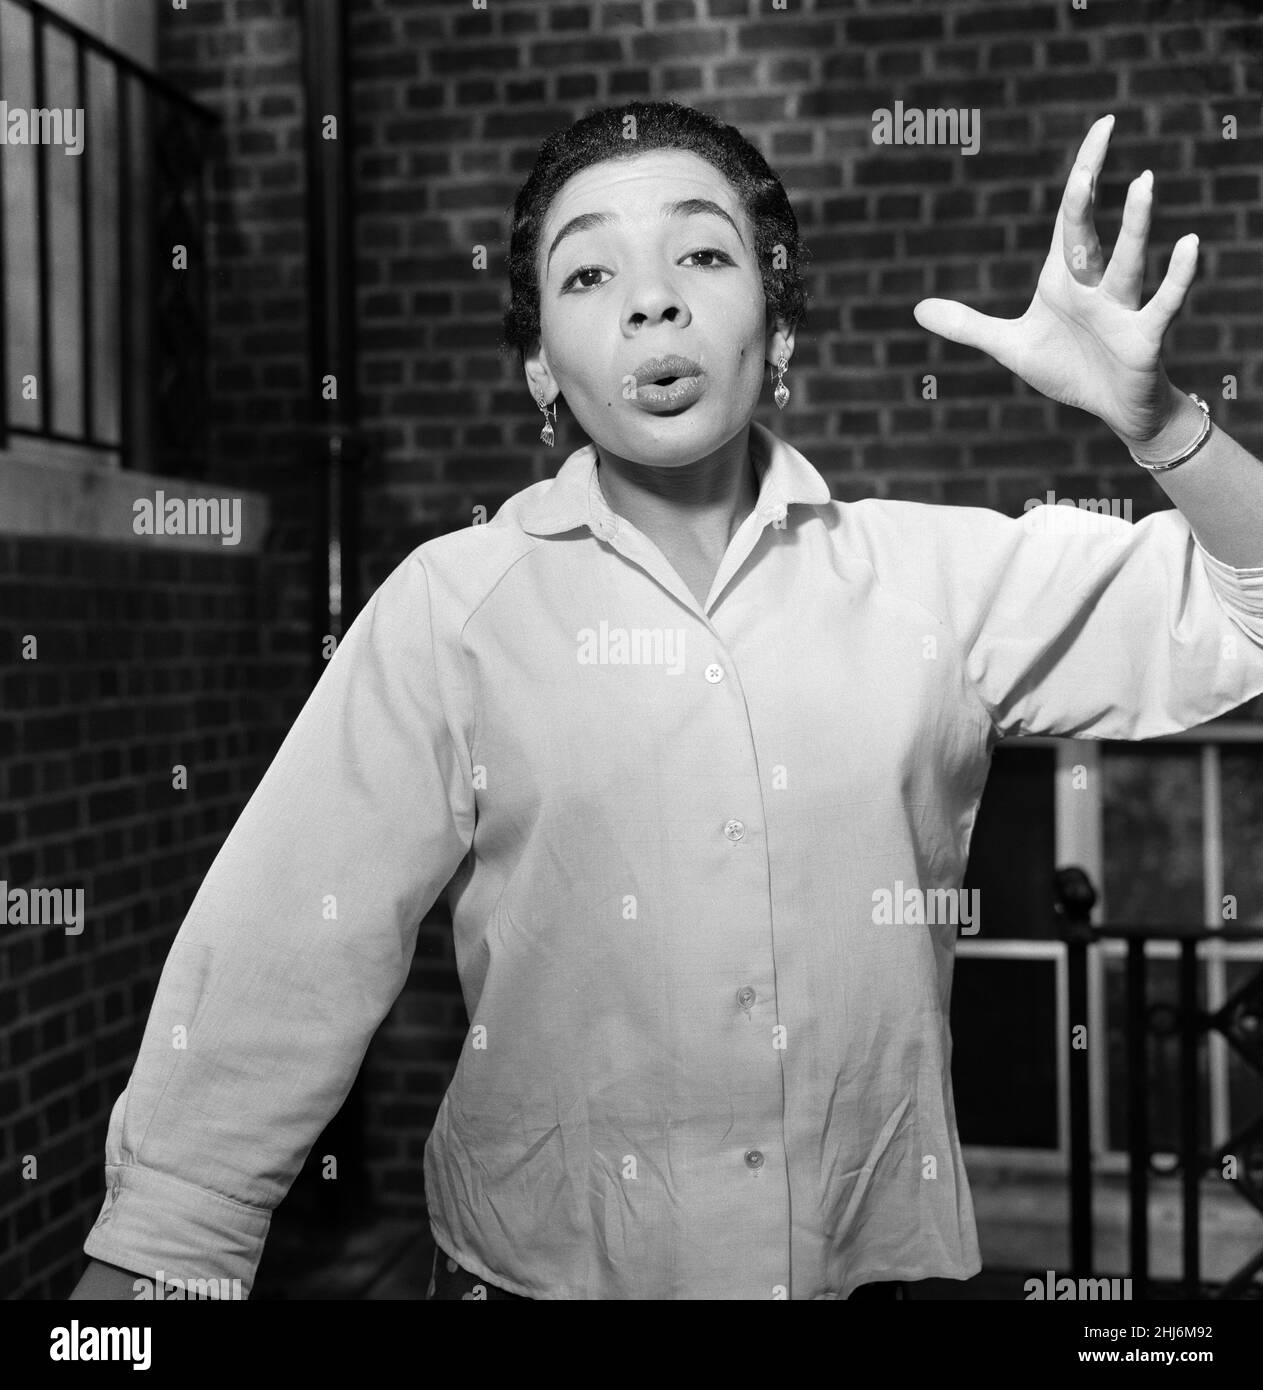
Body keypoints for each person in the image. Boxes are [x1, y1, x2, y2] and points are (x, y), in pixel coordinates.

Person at [72, 100, 1263, 1301]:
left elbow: (1243, 615)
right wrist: (156, 1268)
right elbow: (290, 941)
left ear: (779, 330)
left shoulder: (936, 578)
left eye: (703, 252)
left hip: (869, 1277)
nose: (653, 299)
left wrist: (1161, 425)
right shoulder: (453, 607)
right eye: (589, 271)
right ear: (541, 362)